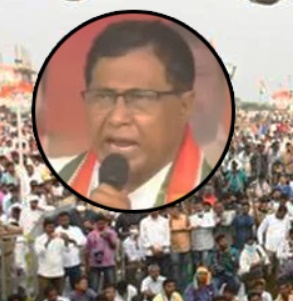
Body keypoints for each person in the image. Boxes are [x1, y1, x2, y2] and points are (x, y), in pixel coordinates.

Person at [52, 20, 213, 210]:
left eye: (140, 98)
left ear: (184, 106)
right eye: (103, 96)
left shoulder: (205, 186)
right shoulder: (62, 178)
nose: (117, 118)